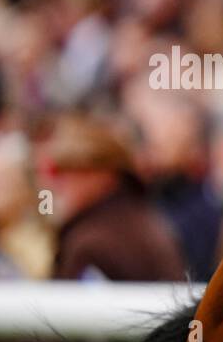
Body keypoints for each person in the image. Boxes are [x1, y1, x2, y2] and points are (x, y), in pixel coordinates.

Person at [38, 114, 187, 282]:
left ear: (104, 175)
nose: (57, 184)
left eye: (68, 170)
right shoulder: (144, 221)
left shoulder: (92, 245)